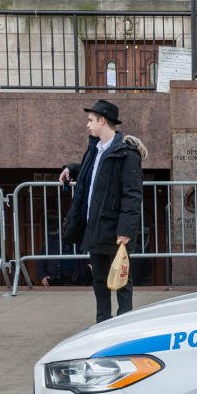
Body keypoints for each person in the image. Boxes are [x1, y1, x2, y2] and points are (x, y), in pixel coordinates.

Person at [59, 100, 145, 323]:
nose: (87, 125)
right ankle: (103, 321)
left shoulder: (126, 152)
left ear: (103, 121)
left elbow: (132, 194)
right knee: (99, 277)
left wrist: (126, 230)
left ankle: (124, 321)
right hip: (95, 224)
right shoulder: (95, 149)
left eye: (90, 120)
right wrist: (71, 169)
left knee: (122, 278)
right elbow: (93, 173)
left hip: (115, 227)